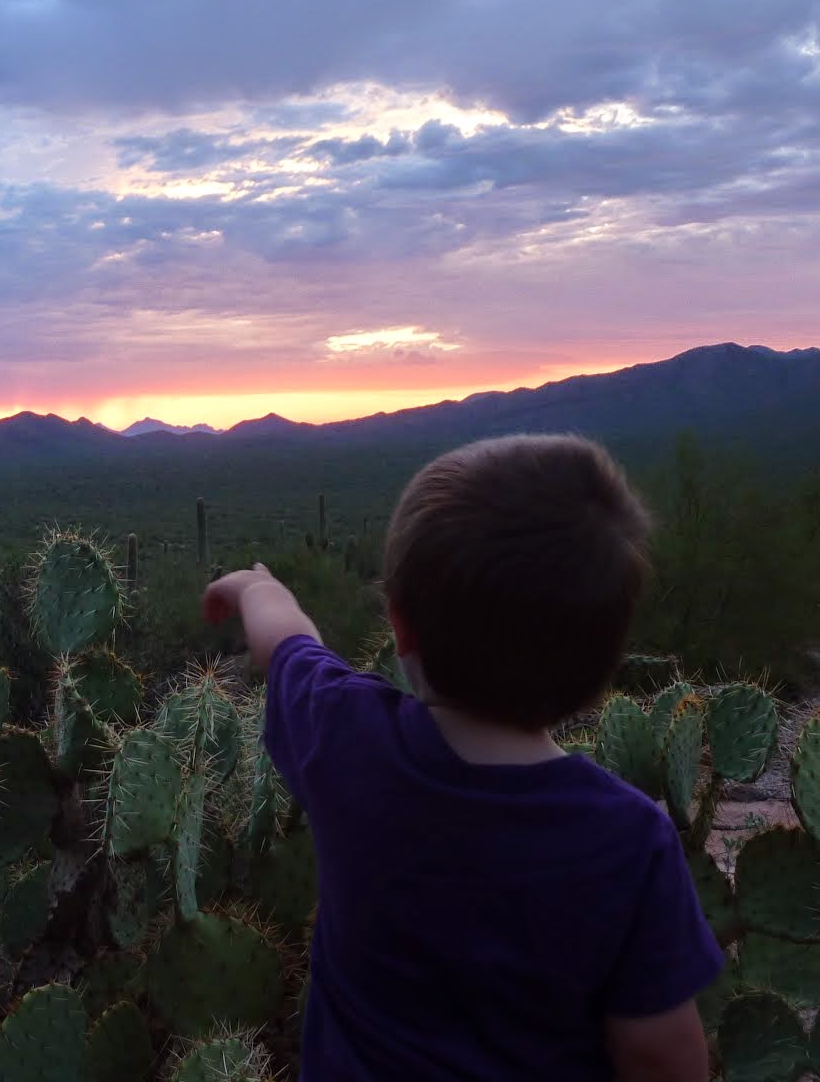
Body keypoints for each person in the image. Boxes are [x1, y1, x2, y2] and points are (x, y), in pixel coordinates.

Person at [202, 433, 722, 1082]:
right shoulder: (630, 840)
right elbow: (662, 1055)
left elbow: (285, 643)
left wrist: (256, 587)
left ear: (400, 627)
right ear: (604, 664)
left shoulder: (346, 736)